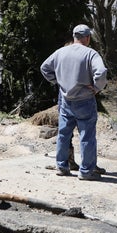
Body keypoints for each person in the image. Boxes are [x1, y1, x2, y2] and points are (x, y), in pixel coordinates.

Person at [40, 24, 108, 180]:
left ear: (74, 36)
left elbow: (44, 68)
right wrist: (97, 87)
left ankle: (61, 167)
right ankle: (86, 171)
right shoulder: (91, 54)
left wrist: (57, 81)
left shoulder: (60, 52)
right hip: (84, 100)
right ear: (87, 38)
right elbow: (102, 72)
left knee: (63, 134)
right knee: (87, 136)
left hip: (65, 99)